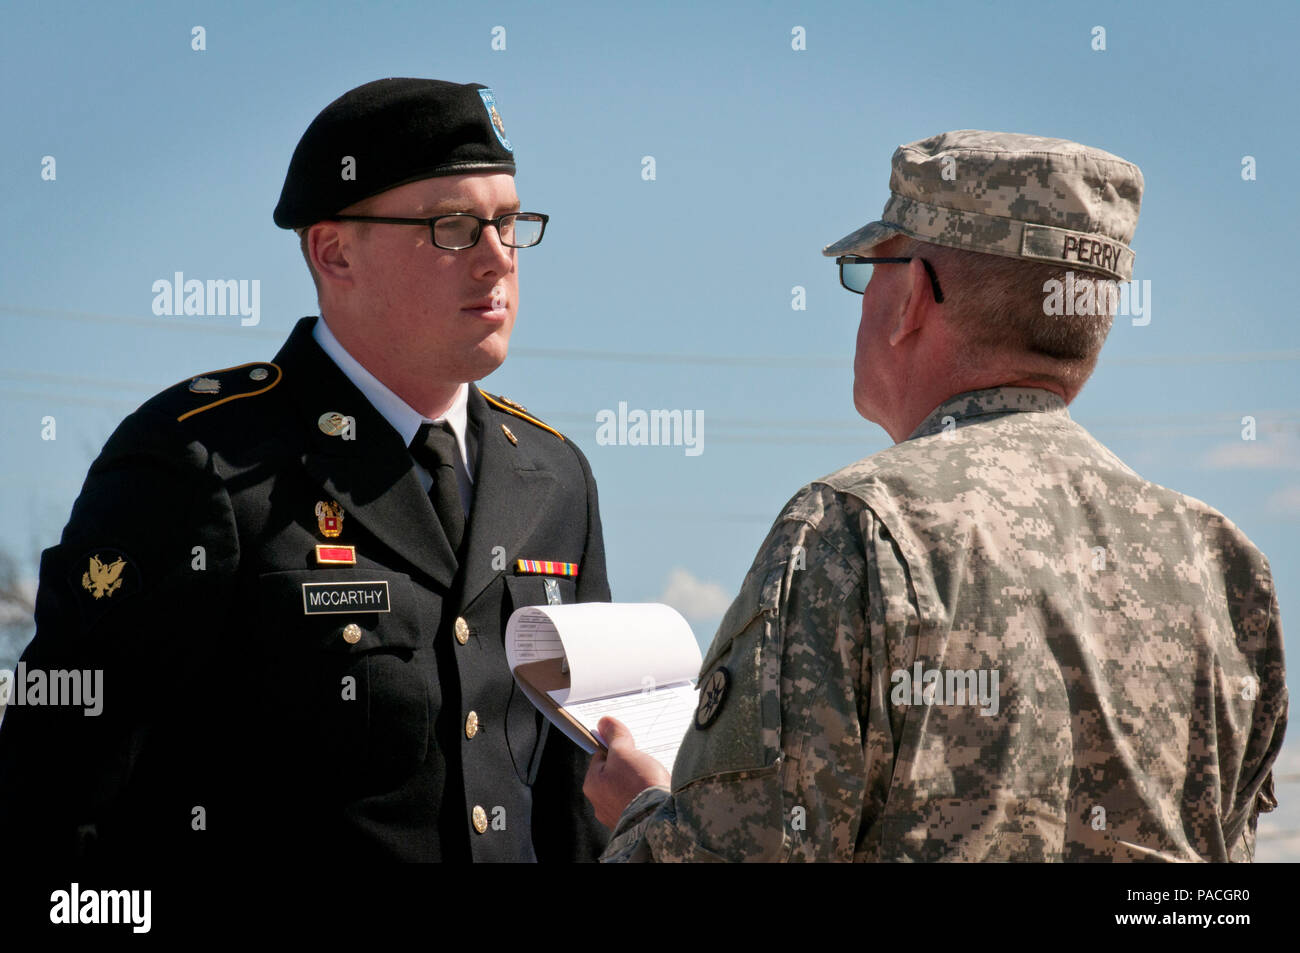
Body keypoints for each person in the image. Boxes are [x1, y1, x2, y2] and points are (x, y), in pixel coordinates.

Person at [584, 130, 1287, 862]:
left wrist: (640, 811)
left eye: (866, 272)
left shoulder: (853, 529)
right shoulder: (1224, 566)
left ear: (912, 297)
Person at [0, 78, 611, 862]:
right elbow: (48, 804)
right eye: (453, 226)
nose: (497, 258)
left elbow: (577, 809)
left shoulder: (554, 480)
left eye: (506, 222)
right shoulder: (203, 465)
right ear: (333, 251)